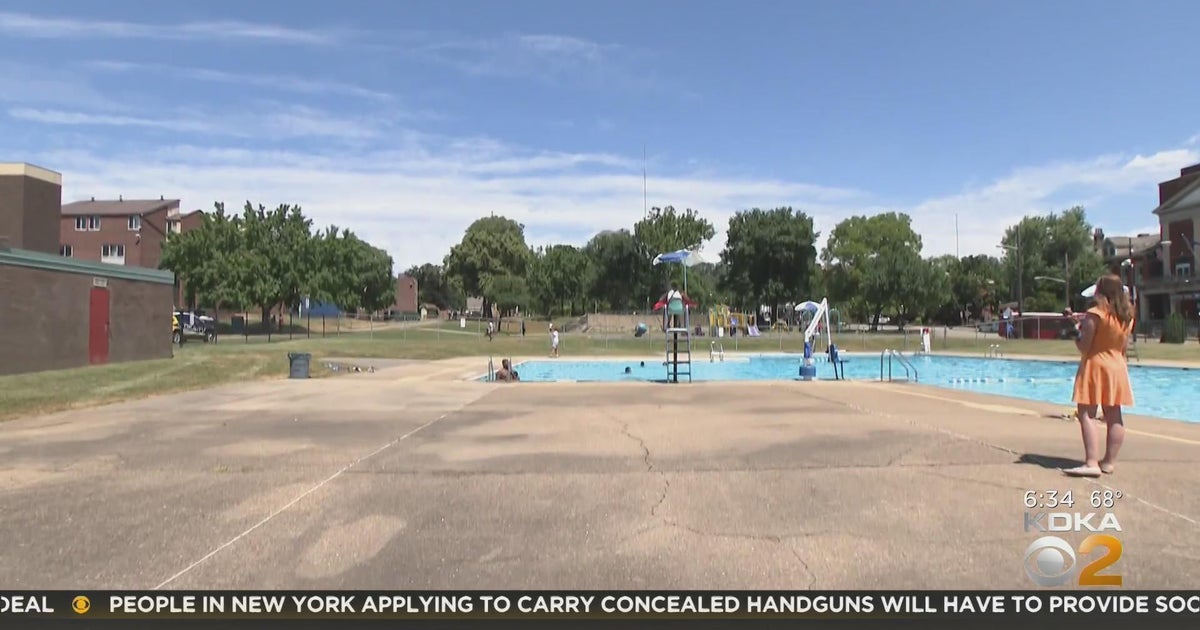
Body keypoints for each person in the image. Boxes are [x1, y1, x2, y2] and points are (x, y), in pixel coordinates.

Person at [1064, 274, 1134, 478]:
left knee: (1086, 413)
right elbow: (1123, 346)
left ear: (1100, 291)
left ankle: (1091, 462)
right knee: (1114, 415)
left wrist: (1074, 330)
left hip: (1096, 365)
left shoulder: (1095, 313)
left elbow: (1085, 346)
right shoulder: (1127, 317)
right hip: (1117, 366)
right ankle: (1109, 462)